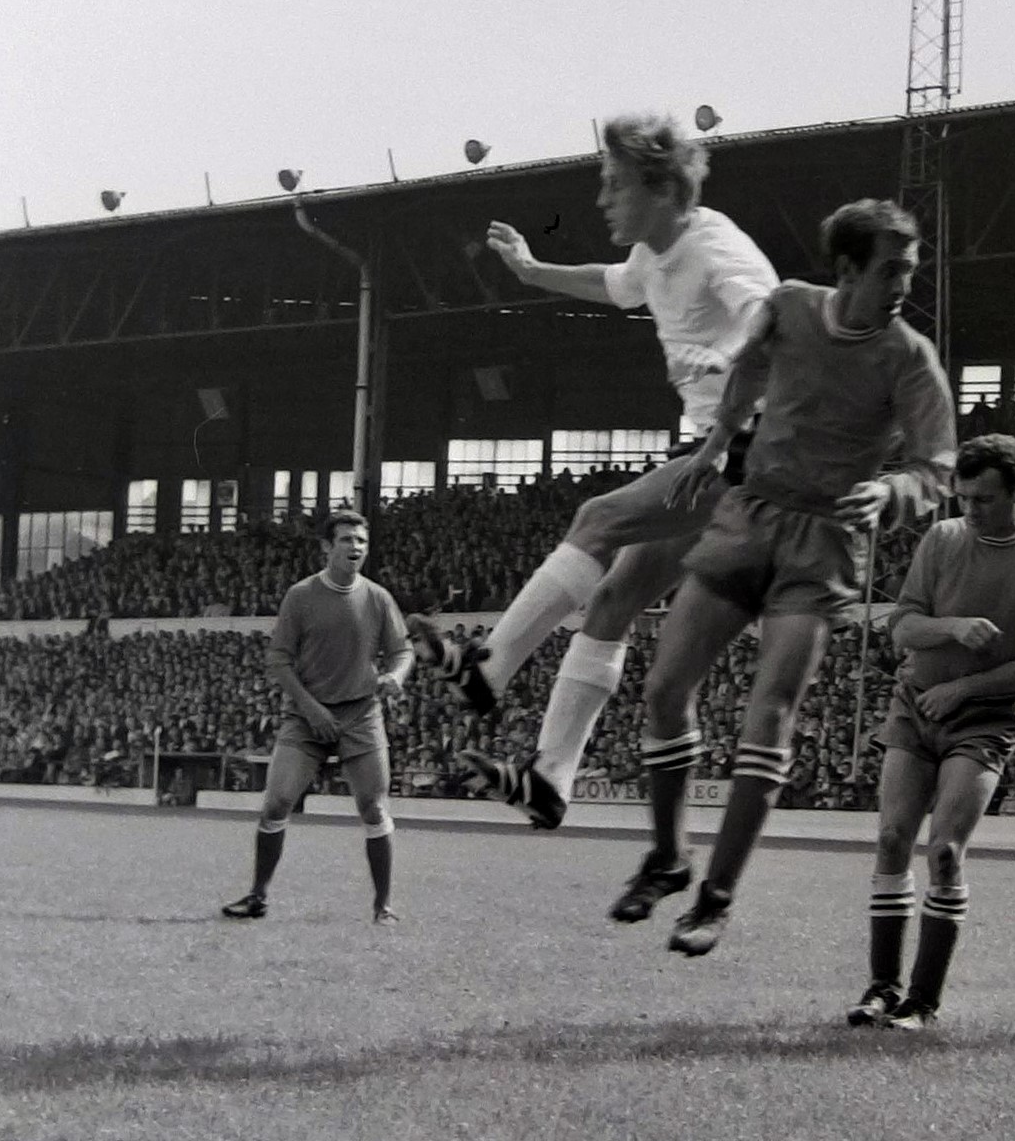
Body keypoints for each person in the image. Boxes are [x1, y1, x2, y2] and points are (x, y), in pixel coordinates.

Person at [613, 197, 956, 957]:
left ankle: (716, 897)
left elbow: (937, 465)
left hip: (825, 543)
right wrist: (715, 445)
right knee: (665, 688)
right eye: (891, 269)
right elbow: (747, 371)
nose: (904, 283)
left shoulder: (909, 358)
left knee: (767, 717)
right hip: (750, 514)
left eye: (910, 270)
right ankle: (669, 856)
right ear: (846, 269)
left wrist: (892, 491)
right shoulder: (790, 309)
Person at [443, 114, 780, 828]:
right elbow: (617, 284)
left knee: (596, 519)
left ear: (658, 189)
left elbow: (770, 324)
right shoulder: (657, 251)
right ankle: (550, 780)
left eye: (613, 185)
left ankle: (488, 668)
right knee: (614, 600)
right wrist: (533, 271)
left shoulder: (716, 249)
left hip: (758, 453)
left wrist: (723, 373)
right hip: (723, 450)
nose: (601, 201)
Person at [850, 433, 1015, 1028]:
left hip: (985, 718)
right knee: (891, 840)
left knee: (946, 851)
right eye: (962, 498)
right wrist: (952, 628)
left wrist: (965, 688)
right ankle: (881, 989)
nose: (968, 510)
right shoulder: (942, 538)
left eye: (982, 499)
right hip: (913, 703)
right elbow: (903, 627)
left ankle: (922, 1002)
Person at [222, 509, 412, 924]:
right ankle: (258, 896)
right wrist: (313, 709)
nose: (355, 547)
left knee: (373, 807)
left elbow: (402, 650)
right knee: (276, 803)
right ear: (327, 547)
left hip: (361, 714)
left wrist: (396, 675)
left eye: (361, 541)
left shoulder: (378, 598)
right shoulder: (301, 596)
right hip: (306, 716)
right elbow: (278, 660)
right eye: (346, 540)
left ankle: (383, 907)